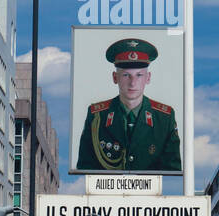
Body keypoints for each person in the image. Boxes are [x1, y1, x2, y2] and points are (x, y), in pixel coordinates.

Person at [75, 38, 181, 172]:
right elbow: (85, 170)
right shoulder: (97, 116)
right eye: (126, 75)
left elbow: (173, 173)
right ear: (115, 77)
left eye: (139, 75)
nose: (133, 83)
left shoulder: (164, 118)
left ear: (148, 78)